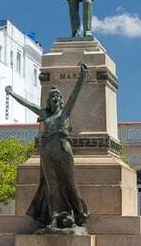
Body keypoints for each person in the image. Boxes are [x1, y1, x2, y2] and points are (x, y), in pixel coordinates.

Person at [6, 63, 90, 230]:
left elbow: (74, 94)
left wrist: (82, 76)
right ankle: (54, 216)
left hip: (62, 148)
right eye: (53, 97)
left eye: (58, 97)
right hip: (47, 150)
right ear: (48, 101)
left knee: (69, 182)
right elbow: (28, 104)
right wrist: (12, 93)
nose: (56, 99)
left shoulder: (64, 113)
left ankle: (79, 213)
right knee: (51, 185)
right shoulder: (44, 114)